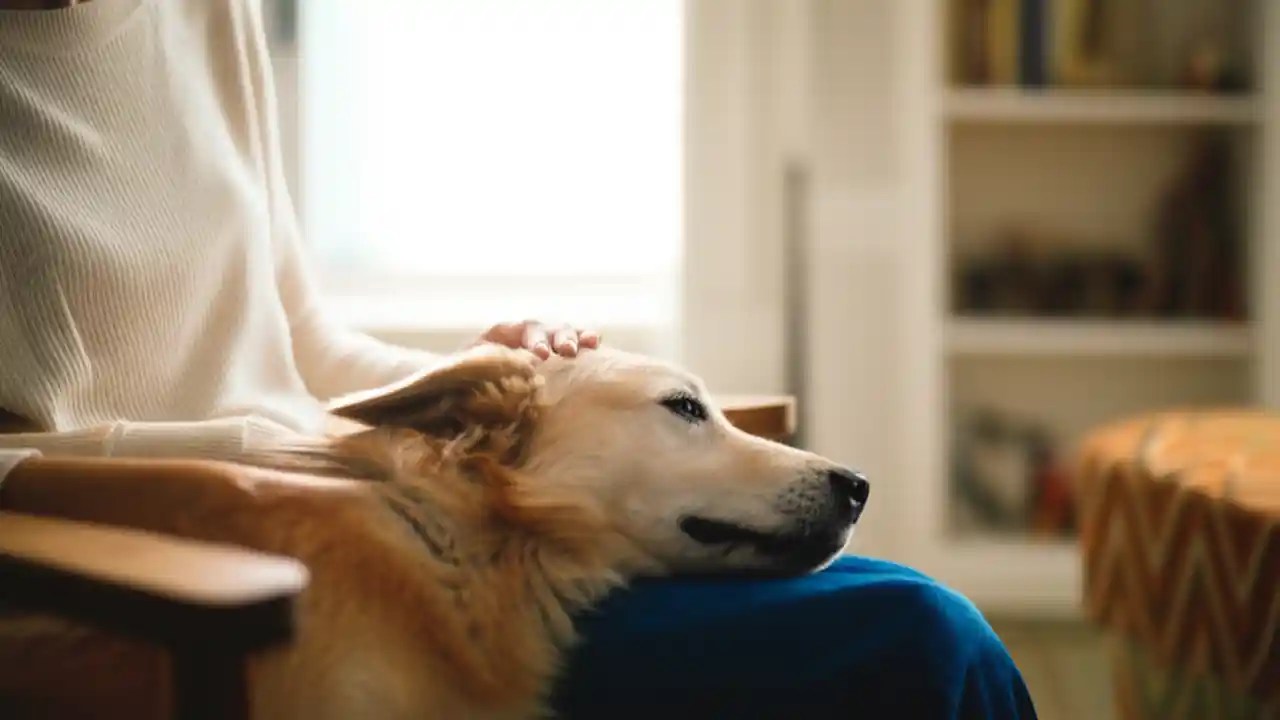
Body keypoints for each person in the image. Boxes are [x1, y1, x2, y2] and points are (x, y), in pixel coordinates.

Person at [0, 1, 1037, 718]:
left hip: (386, 533)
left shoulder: (202, 16)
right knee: (908, 647)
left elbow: (299, 346)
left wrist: (480, 378)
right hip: (164, 589)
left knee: (915, 613)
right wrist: (225, 465)